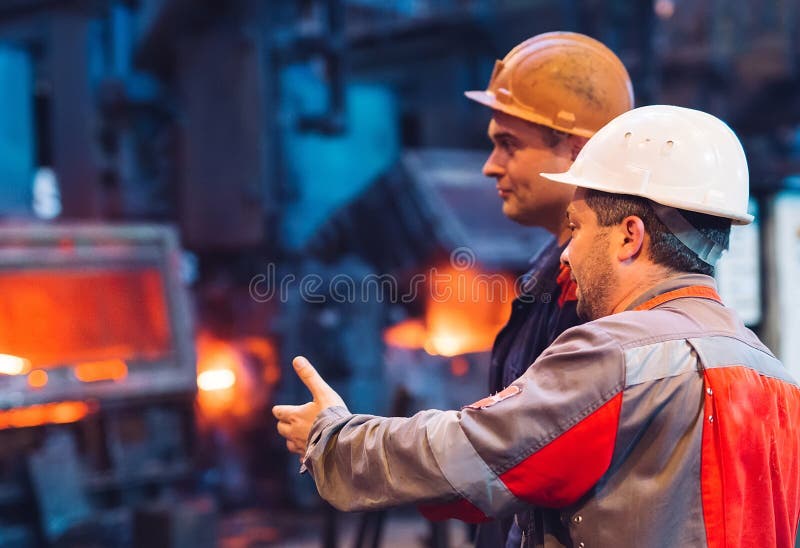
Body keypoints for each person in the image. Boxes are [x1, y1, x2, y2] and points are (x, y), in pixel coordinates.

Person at [274, 105, 800, 547]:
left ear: (629, 236)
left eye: (577, 228)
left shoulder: (616, 356)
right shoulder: (774, 376)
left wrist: (334, 438)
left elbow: (469, 458)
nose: (565, 254)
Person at [467, 31, 634, 546]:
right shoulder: (551, 273)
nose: (490, 165)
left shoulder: (604, 290)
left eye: (508, 144)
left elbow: (535, 456)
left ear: (578, 151)